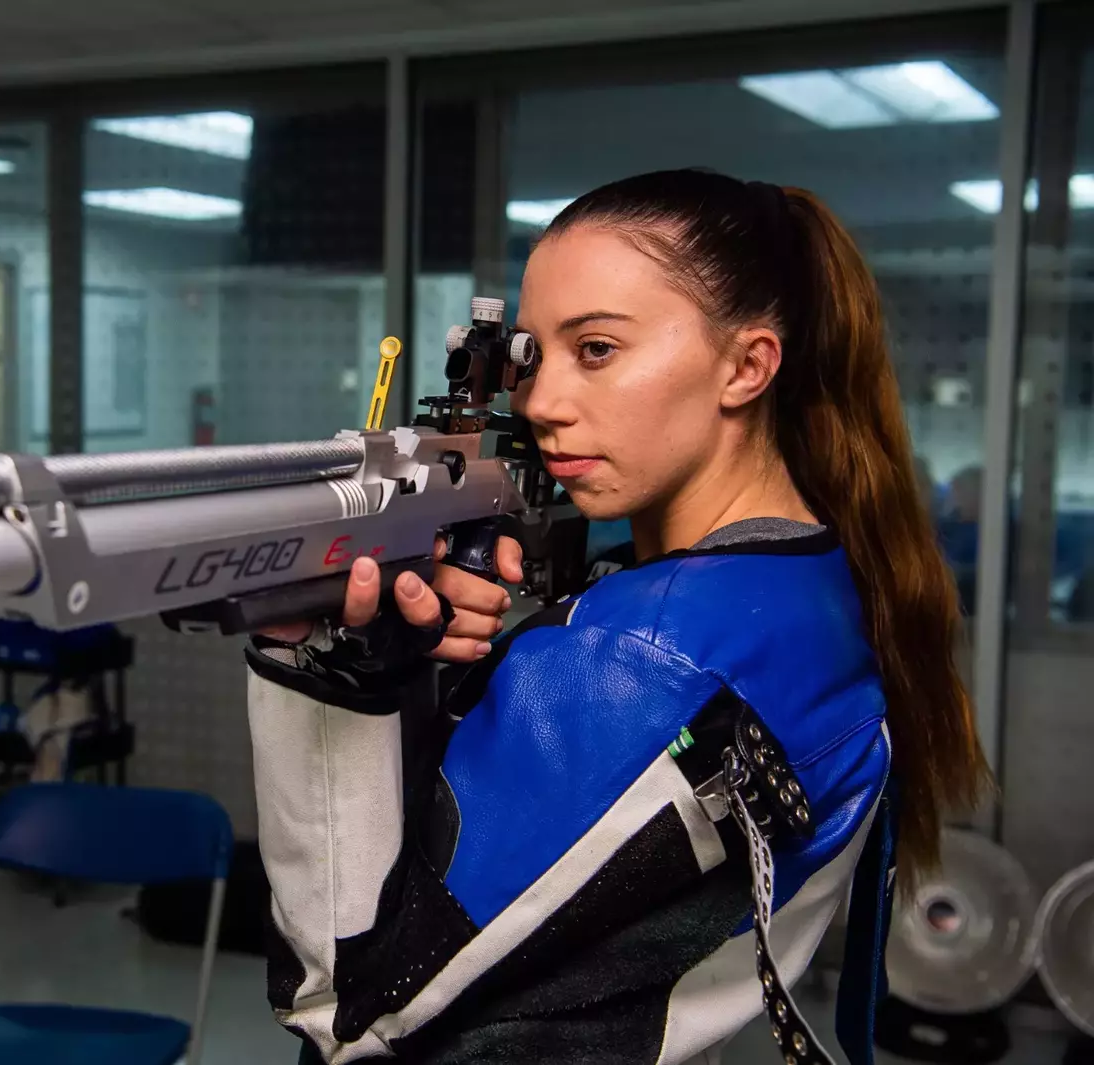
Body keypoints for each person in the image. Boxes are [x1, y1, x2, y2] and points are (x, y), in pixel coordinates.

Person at [245, 169, 990, 1065]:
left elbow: (353, 1006)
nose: (540, 403)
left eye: (596, 349)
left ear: (747, 365)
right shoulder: (819, 584)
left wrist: (332, 670)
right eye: (533, 355)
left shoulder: (644, 655)